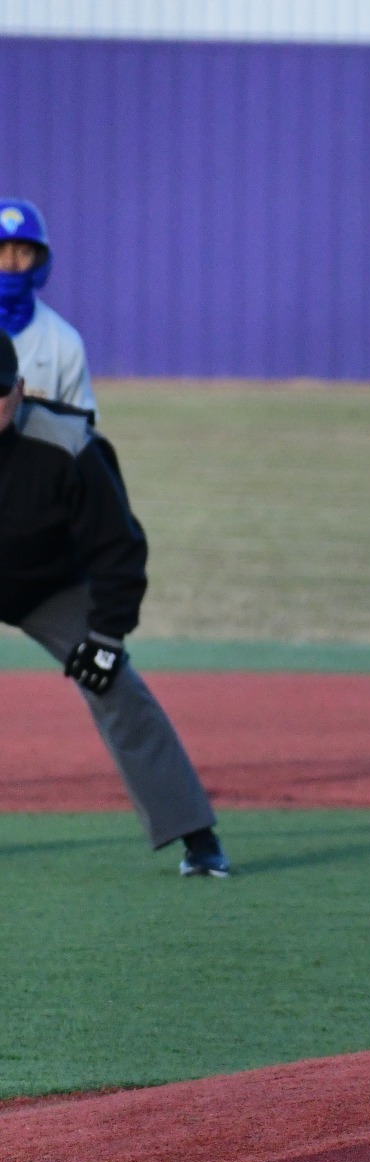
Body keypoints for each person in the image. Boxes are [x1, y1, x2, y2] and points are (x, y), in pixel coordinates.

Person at [0, 331, 228, 876]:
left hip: (49, 584)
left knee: (115, 685)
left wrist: (106, 638)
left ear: (21, 389)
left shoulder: (68, 444)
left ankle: (194, 835)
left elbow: (119, 549)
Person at [0, 199, 95, 415]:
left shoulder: (64, 343)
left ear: (40, 260)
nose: (9, 263)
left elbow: (81, 433)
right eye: (0, 251)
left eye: (23, 252)